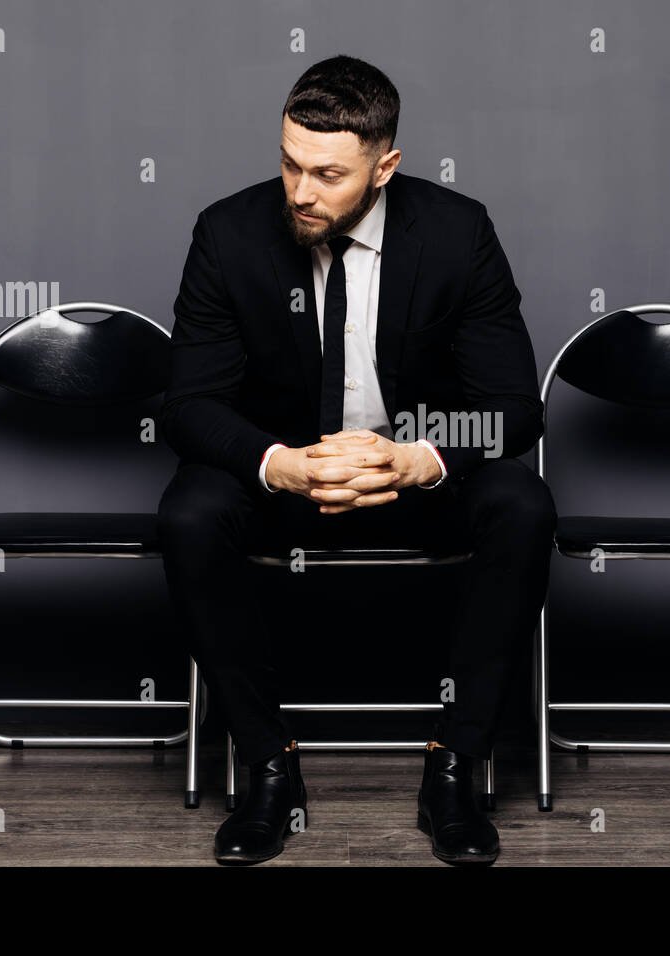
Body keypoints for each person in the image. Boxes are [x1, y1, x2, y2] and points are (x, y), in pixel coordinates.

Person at [157, 54, 555, 865]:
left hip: (411, 475)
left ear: (385, 167)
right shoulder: (228, 232)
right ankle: (268, 764)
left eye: (328, 174)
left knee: (522, 503)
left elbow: (517, 408)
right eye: (289, 164)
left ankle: (455, 768)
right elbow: (188, 405)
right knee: (189, 512)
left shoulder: (456, 232)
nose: (300, 193)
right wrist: (283, 463)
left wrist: (417, 460)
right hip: (281, 479)